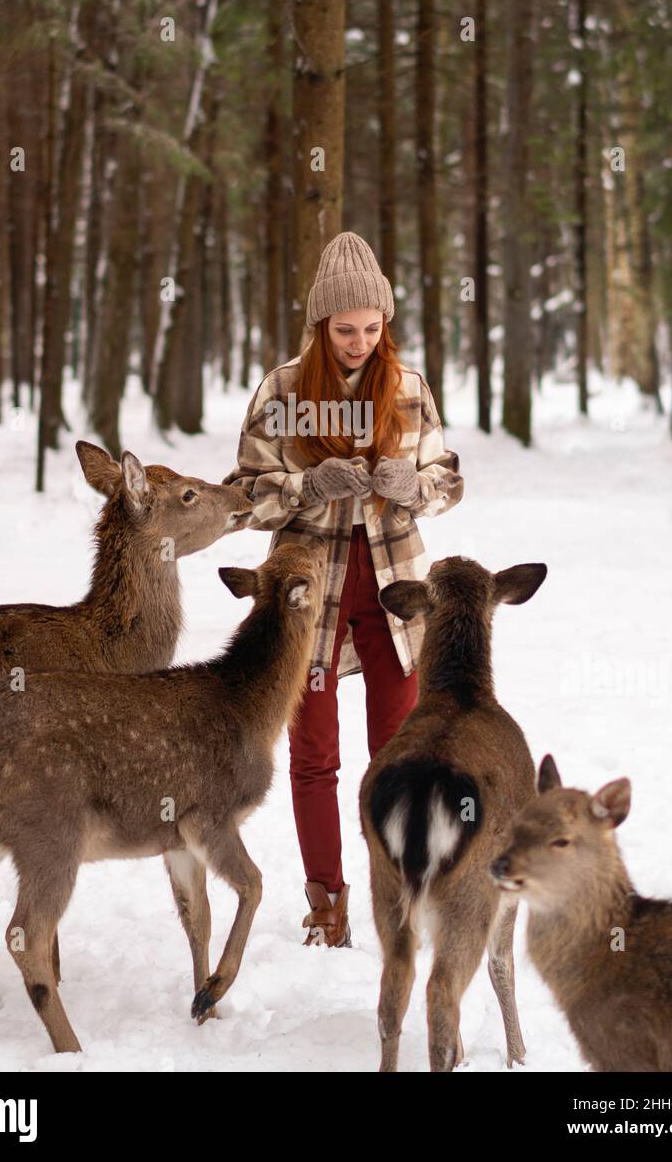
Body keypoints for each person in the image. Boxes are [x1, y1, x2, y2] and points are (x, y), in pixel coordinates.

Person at [224, 231, 463, 946]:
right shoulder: (283, 390)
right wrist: (305, 486)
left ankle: (397, 894)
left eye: (371, 327)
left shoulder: (408, 388)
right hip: (307, 595)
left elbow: (450, 480)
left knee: (397, 749)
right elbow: (242, 498)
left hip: (394, 592)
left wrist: (412, 485)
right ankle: (326, 901)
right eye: (344, 329)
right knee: (313, 753)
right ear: (320, 326)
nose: (359, 341)